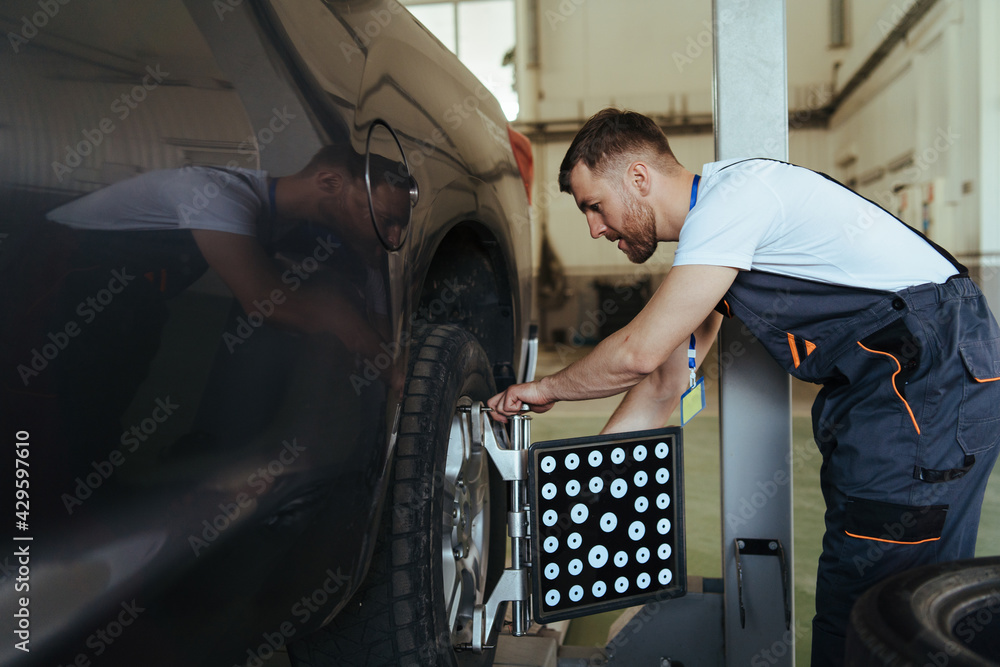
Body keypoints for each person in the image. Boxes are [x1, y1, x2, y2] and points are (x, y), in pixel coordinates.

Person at [488, 108, 1000, 665]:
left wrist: (550, 389)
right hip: (912, 386)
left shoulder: (731, 204)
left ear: (638, 178)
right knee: (905, 596)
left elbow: (639, 353)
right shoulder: (719, 233)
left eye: (594, 206)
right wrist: (579, 499)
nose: (595, 227)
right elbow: (664, 383)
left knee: (868, 602)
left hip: (923, 384)